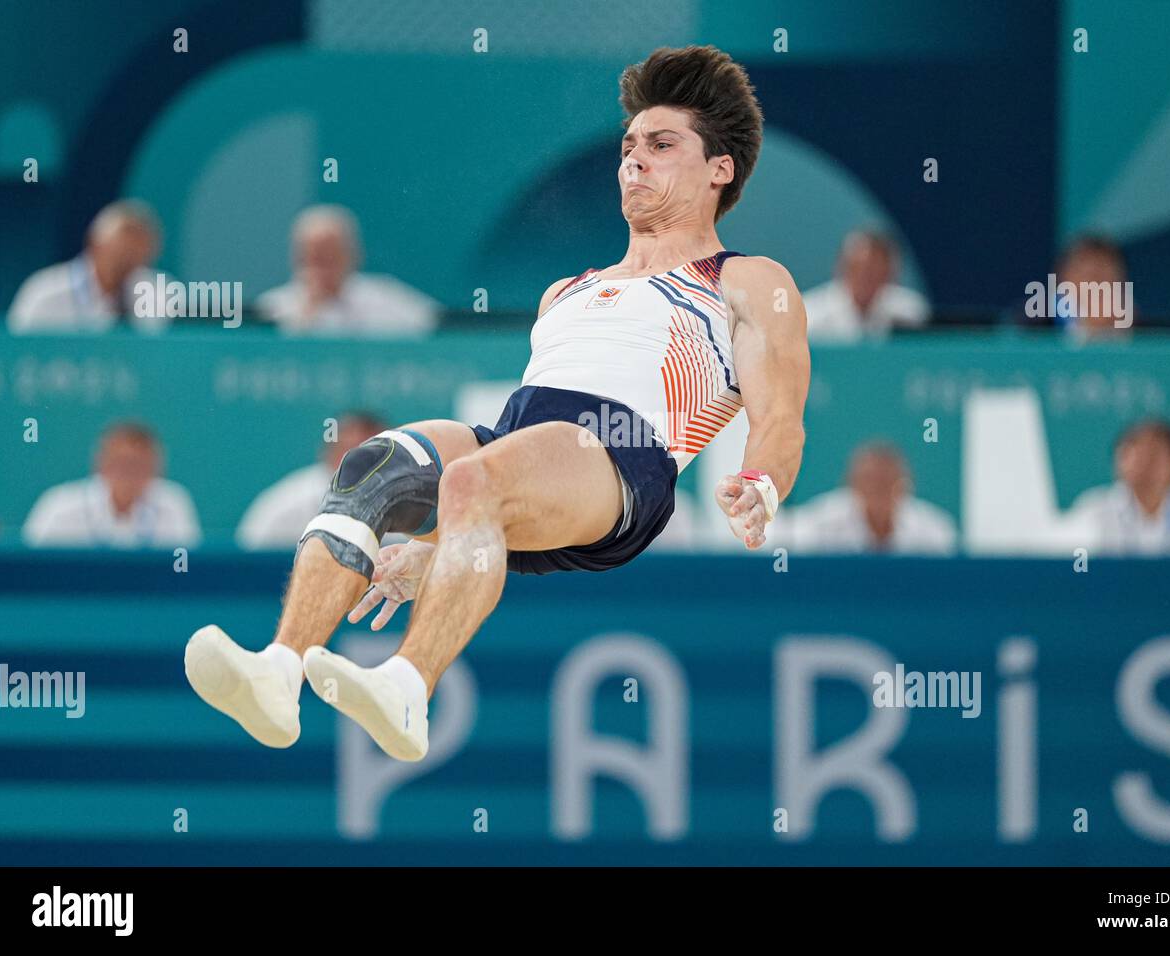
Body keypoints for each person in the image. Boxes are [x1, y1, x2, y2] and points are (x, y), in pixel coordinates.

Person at [185, 45, 810, 762]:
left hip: (623, 461)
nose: (635, 159)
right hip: (526, 449)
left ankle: (410, 686)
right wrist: (446, 545)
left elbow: (781, 414)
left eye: (663, 145)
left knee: (473, 478)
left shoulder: (748, 280)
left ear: (720, 168)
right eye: (629, 144)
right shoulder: (566, 291)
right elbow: (520, 470)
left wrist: (762, 480)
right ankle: (278, 670)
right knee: (373, 466)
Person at [254, 205, 440, 337]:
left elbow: (436, 329)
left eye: (332, 257)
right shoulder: (272, 308)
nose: (324, 269)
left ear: (353, 255)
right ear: (297, 259)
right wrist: (307, 314)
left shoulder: (388, 298)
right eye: (315, 258)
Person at [1064, 419, 1170, 556]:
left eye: (1154, 454)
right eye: (1132, 453)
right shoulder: (1091, 511)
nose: (1144, 463)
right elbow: (1077, 573)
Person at [22, 421, 200, 548]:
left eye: (139, 465)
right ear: (100, 464)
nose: (129, 473)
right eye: (121, 463)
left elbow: (188, 571)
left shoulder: (174, 503)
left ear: (157, 469)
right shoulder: (60, 506)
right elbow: (31, 569)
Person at [8, 201, 169, 334]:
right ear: (95, 245)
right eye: (121, 255)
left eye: (138, 258)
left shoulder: (160, 293)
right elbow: (15, 353)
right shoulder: (45, 293)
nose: (128, 264)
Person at [235, 412, 388, 550]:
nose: (359, 460)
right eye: (349, 449)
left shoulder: (403, 498)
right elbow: (246, 563)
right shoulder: (288, 504)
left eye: (372, 452)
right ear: (330, 452)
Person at [791, 442, 956, 554]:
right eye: (869, 480)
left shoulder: (934, 529)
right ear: (852, 483)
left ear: (905, 484)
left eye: (886, 481)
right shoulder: (819, 522)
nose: (877, 489)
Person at [801, 230, 929, 342]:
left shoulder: (911, 312)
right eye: (858, 270)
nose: (865, 279)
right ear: (841, 268)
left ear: (890, 275)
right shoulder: (809, 316)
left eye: (875, 273)